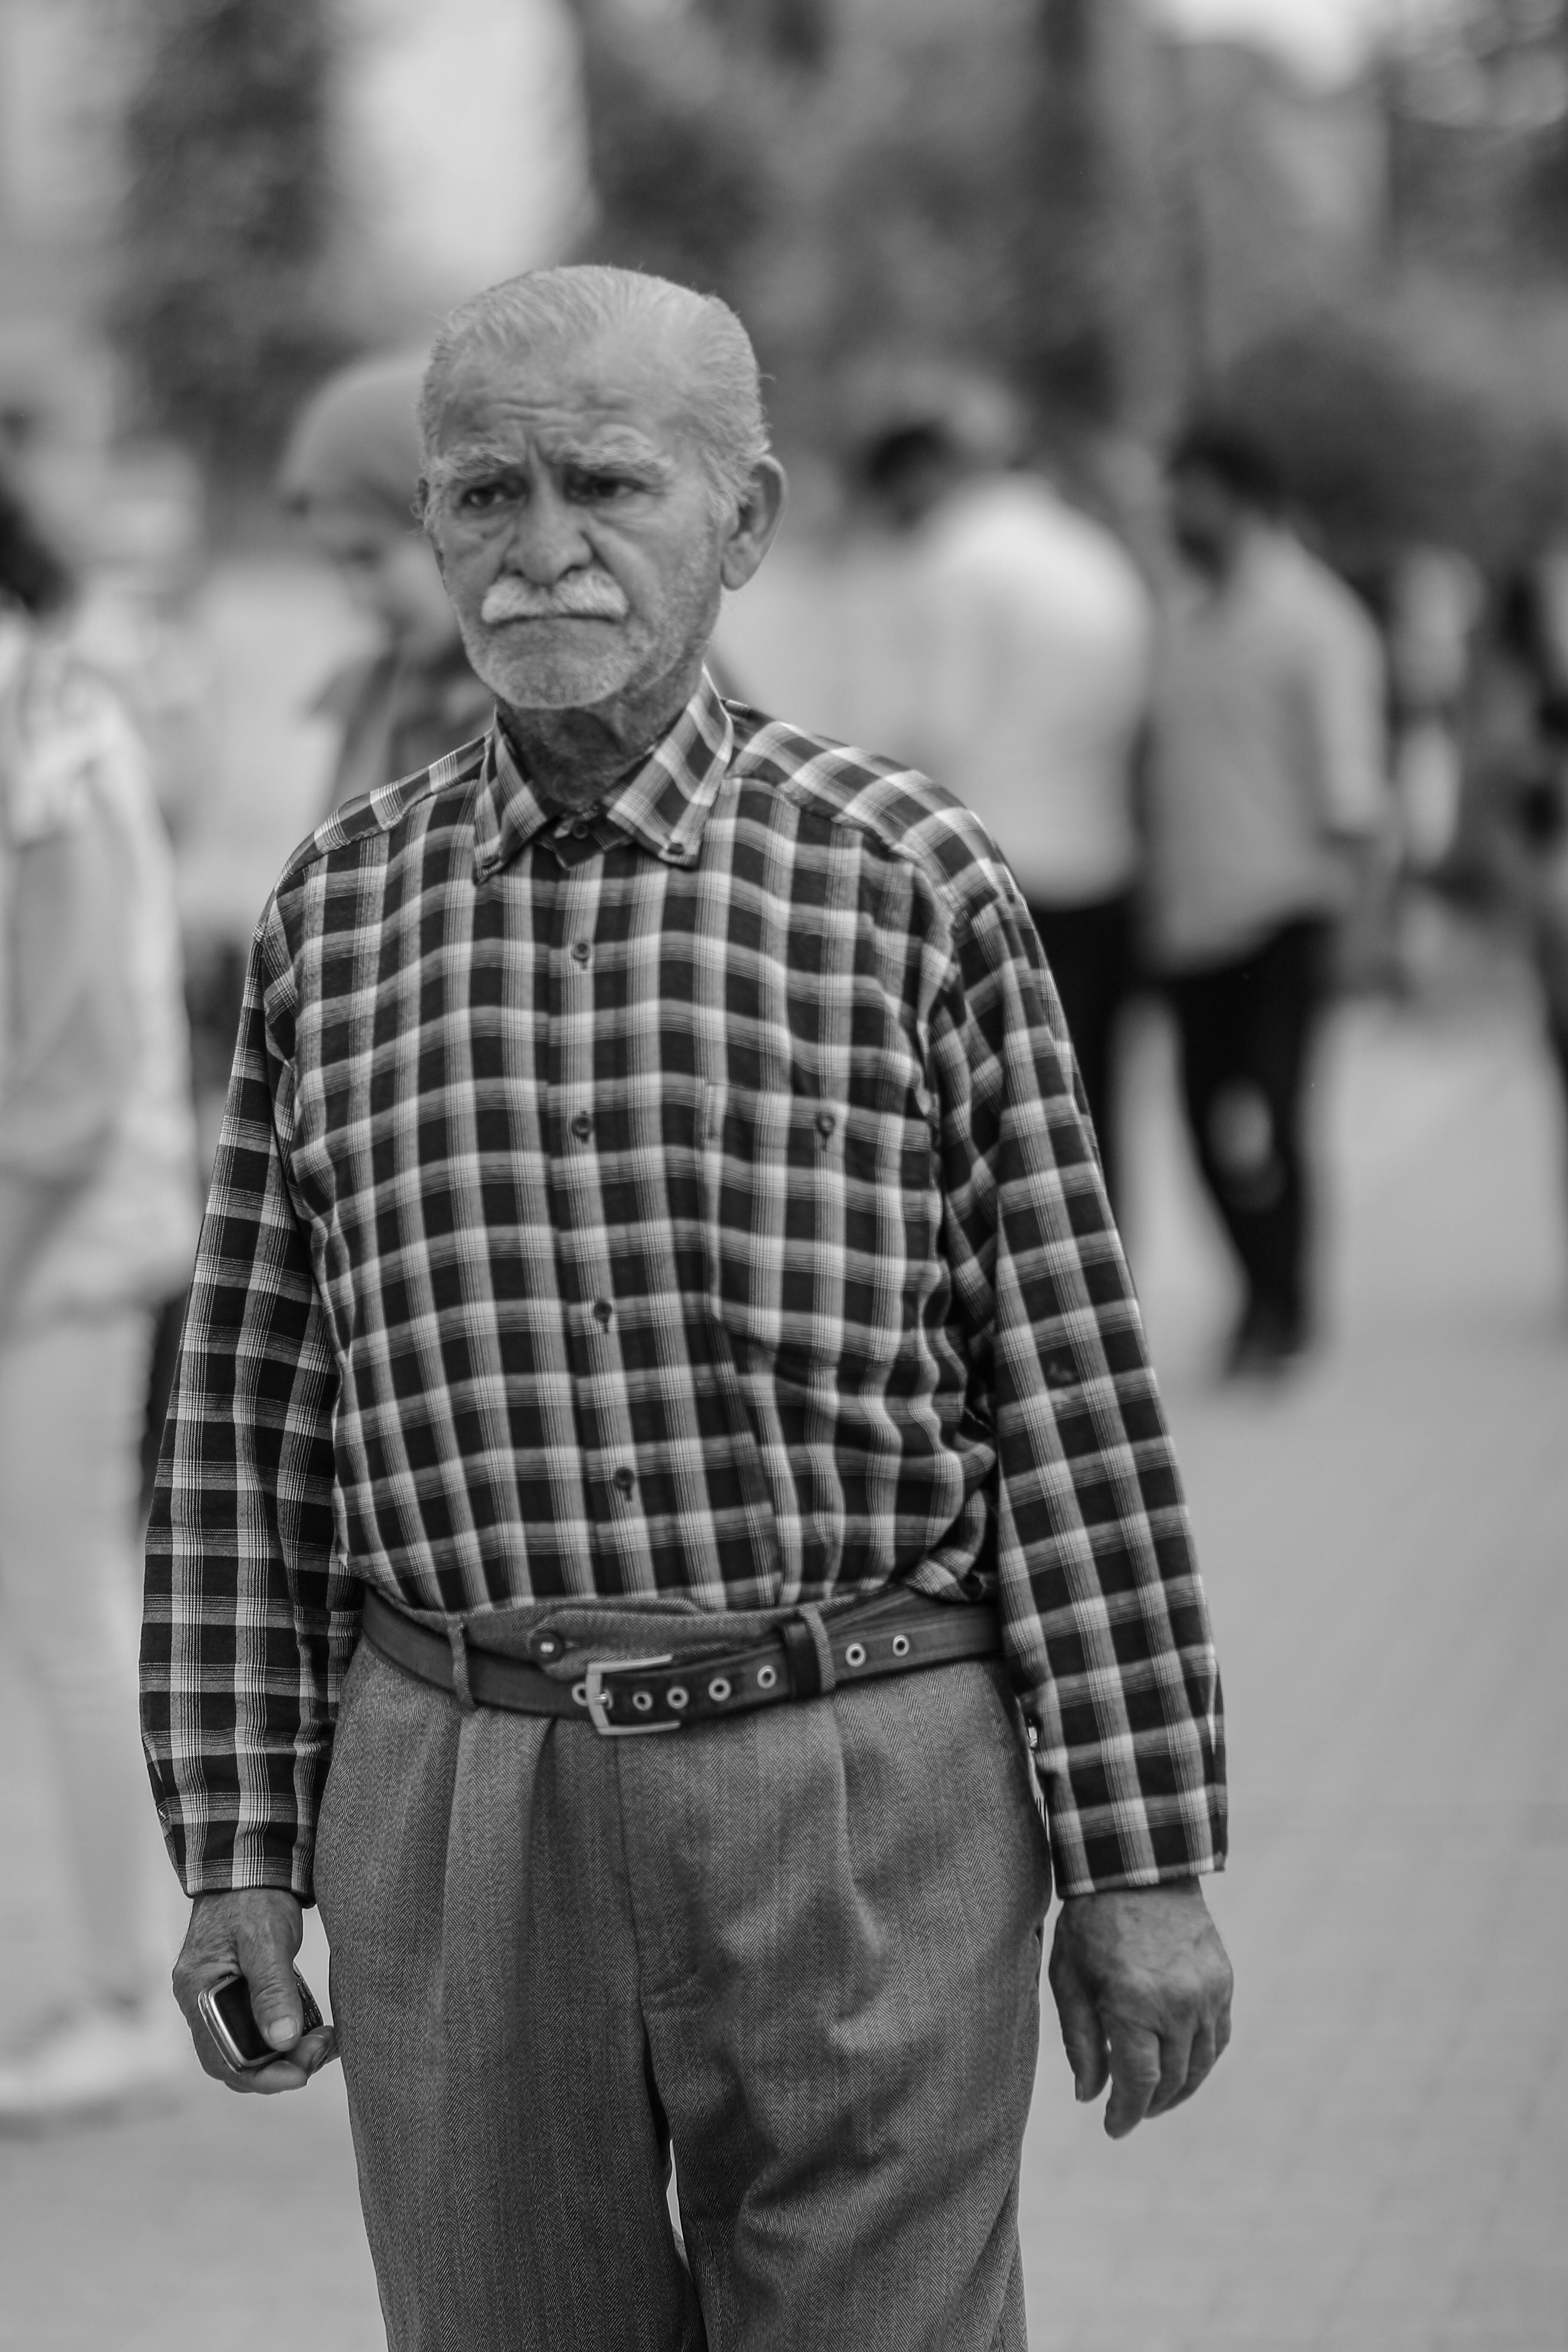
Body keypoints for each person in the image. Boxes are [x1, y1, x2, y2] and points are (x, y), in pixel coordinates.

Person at [143, 267, 1231, 2351]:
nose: (541, 545)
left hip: (864, 1775)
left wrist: (1143, 1856)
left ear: (746, 518)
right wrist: (235, 1847)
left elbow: (1072, 1402)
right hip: (464, 1795)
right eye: (485, 491)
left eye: (610, 483)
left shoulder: (911, 880)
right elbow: (250, 1427)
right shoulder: (333, 913)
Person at [0, 469, 199, 2125]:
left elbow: (65, 1093)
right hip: (51, 1232)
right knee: (59, 1611)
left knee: (68, 1618)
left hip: (54, 1247)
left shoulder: (45, 728)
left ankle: (122, 1990)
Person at [857, 409, 1152, 1210]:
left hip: (1004, 875)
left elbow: (935, 731)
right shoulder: (1082, 545)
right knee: (1089, 1101)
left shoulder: (958, 558)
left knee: (1003, 1119)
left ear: (917, 477)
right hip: (1103, 864)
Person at [1145, 420, 1387, 1379]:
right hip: (1195, 920)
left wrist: (1363, 931)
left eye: (1188, 494)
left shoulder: (1314, 622)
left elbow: (1355, 795)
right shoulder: (1183, 618)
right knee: (1203, 1125)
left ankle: (1287, 1310)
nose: (1172, 513)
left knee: (1276, 1121)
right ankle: (1256, 1296)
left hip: (1287, 915)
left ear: (1240, 498)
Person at [278, 351, 493, 817]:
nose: (357, 600)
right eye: (335, 564)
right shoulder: (381, 695)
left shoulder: (553, 721)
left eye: (369, 556)